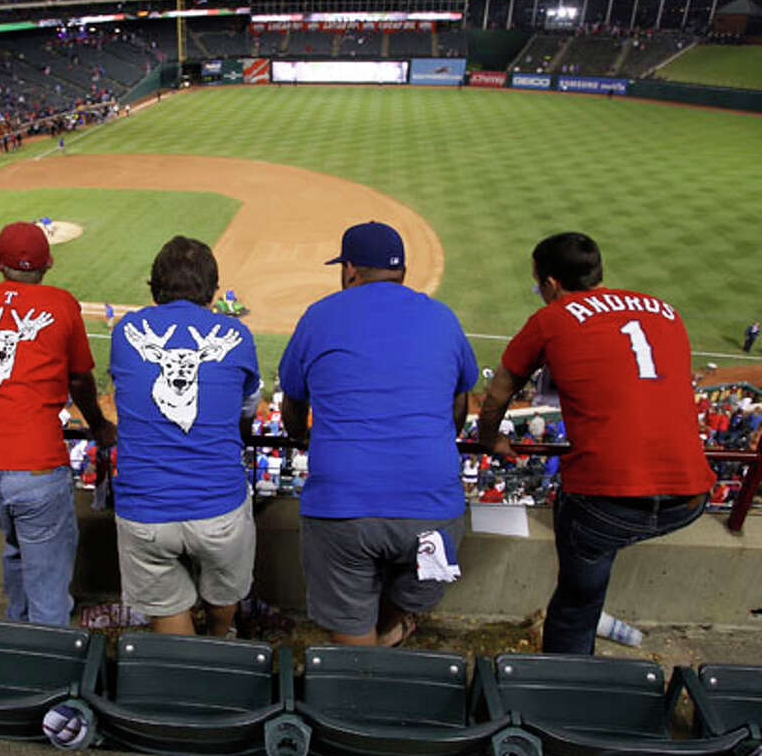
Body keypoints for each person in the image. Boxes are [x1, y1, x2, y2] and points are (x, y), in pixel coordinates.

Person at [478, 232, 713, 655]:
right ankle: (595, 612)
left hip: (608, 501)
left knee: (575, 601)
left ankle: (565, 690)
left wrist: (489, 437)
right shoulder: (665, 310)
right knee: (600, 555)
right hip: (692, 495)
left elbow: (498, 392)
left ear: (550, 283)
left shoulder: (552, 317)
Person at [278, 221, 477, 646]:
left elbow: (294, 405)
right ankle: (389, 634)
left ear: (350, 270)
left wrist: (303, 438)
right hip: (433, 507)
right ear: (401, 270)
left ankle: (364, 666)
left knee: (352, 630)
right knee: (408, 597)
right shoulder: (442, 317)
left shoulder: (320, 316)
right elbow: (459, 405)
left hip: (343, 505)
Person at [0, 221, 115, 626]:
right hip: (35, 467)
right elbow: (79, 379)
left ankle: (15, 632)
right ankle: (46, 675)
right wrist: (97, 424)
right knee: (49, 588)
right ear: (49, 263)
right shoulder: (60, 304)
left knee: (18, 548)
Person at [110, 237, 261, 636]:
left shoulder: (126, 331)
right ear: (212, 290)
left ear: (155, 286)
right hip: (219, 506)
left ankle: (189, 670)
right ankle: (219, 640)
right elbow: (247, 409)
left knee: (166, 607)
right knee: (224, 586)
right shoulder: (236, 335)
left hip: (144, 508)